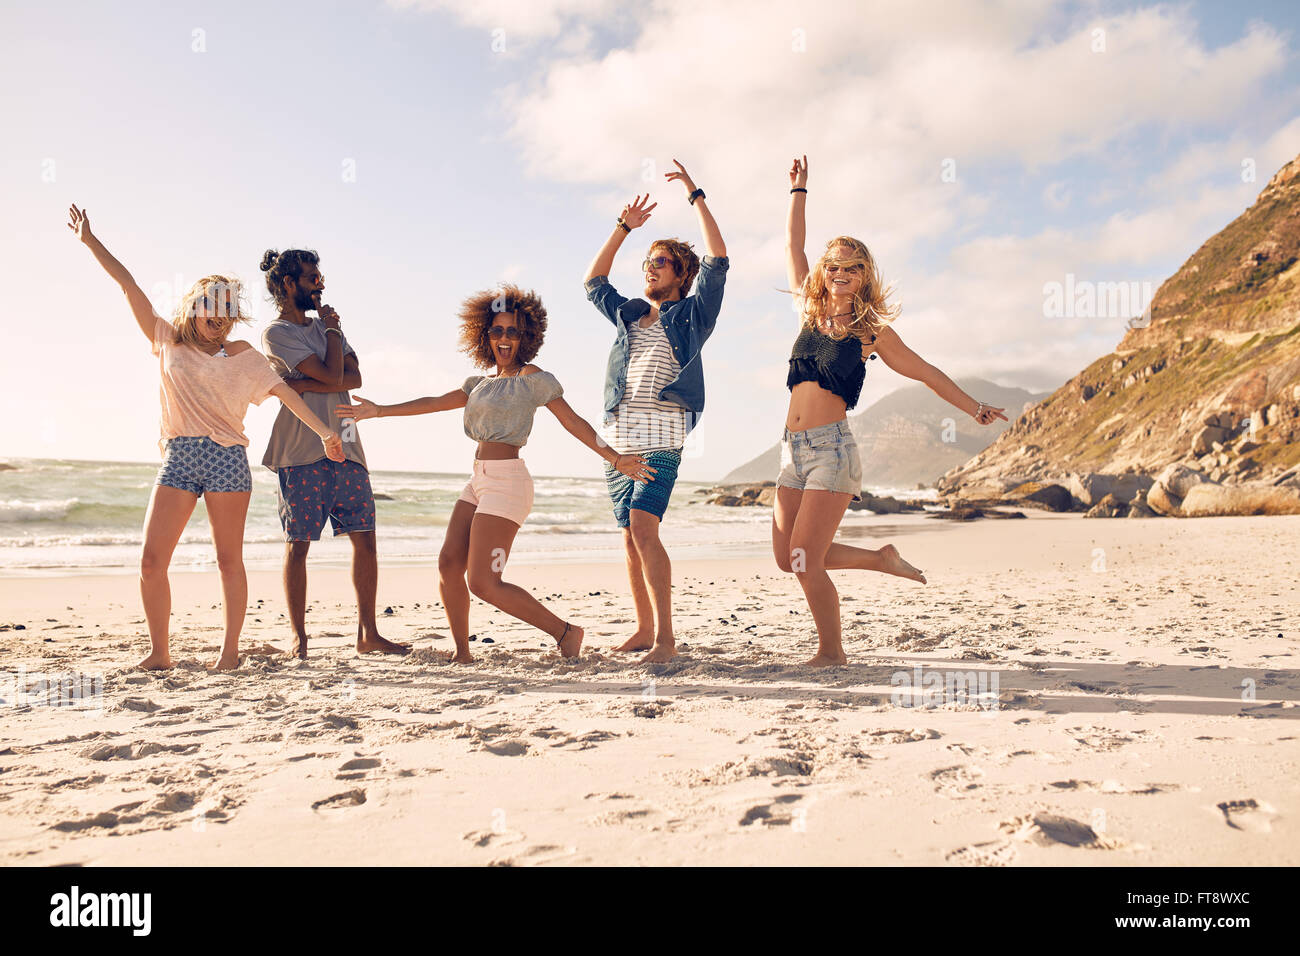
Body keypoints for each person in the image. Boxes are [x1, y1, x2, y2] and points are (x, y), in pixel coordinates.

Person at [67, 204, 344, 671]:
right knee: (152, 561)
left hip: (228, 459)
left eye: (225, 315)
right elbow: (128, 284)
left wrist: (324, 434)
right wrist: (90, 241)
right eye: (209, 311)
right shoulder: (165, 339)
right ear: (194, 308)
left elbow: (286, 397)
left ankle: (230, 653)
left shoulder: (245, 356)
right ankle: (160, 653)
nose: (216, 322)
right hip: (179, 454)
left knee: (227, 560)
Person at [776, 157, 1008, 667]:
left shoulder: (872, 332)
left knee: (807, 561)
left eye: (850, 268)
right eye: (832, 266)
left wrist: (974, 408)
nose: (838, 273)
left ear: (864, 277)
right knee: (787, 558)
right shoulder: (807, 309)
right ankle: (880, 559)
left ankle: (831, 652)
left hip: (832, 452)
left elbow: (925, 371)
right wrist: (800, 190)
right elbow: (793, 246)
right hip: (790, 454)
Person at [338, 285, 651, 664]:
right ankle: (463, 653)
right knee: (449, 564)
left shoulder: (532, 378)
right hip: (479, 480)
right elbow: (434, 403)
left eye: (514, 331)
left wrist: (615, 458)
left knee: (484, 582)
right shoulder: (479, 384)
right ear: (485, 335)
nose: (505, 338)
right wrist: (380, 410)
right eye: (498, 330)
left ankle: (567, 632)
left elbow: (573, 422)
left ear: (526, 337)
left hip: (509, 483)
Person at [582, 159, 728, 664]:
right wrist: (623, 228)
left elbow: (718, 258)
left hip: (661, 436)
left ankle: (666, 640)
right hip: (618, 440)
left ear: (681, 274)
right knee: (628, 537)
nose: (650, 267)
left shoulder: (692, 315)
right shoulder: (627, 315)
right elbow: (593, 281)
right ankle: (644, 628)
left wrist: (695, 193)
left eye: (660, 261)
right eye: (648, 261)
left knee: (645, 528)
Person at [259, 248, 408, 659]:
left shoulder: (329, 328)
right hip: (301, 448)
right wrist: (329, 345)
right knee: (299, 542)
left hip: (349, 444)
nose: (320, 285)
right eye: (312, 278)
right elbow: (332, 374)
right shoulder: (277, 333)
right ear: (289, 284)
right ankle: (299, 639)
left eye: (320, 277)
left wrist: (305, 382)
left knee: (366, 541)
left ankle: (369, 635)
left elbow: (353, 377)